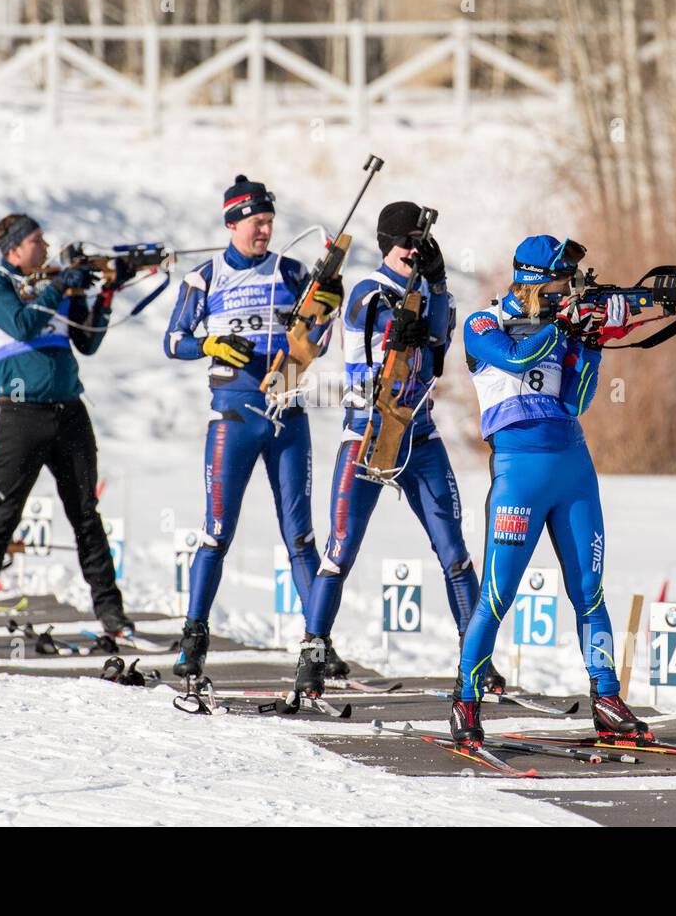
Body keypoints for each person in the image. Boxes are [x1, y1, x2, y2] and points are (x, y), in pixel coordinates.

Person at [294, 201, 500, 698]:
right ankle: (313, 653)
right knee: (340, 550)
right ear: (389, 244)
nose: (415, 251)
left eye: (421, 243)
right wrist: (406, 324)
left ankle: (477, 661)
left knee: (455, 552)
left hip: (419, 433)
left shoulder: (428, 290)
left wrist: (441, 284)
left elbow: (435, 363)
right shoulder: (368, 289)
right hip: (367, 432)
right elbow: (378, 338)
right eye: (408, 243)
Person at [450, 234, 649, 748]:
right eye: (563, 282)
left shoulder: (561, 329)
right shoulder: (482, 323)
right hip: (519, 472)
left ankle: (606, 696)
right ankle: (465, 700)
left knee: (590, 592)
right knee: (498, 595)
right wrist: (563, 326)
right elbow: (516, 359)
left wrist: (592, 344)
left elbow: (576, 400)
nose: (569, 291)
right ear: (538, 280)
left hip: (574, 467)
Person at [163, 175, 343, 680]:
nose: (264, 231)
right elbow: (173, 340)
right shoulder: (205, 276)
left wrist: (325, 310)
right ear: (232, 222)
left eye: (269, 222)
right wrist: (210, 345)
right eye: (256, 222)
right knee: (218, 530)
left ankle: (317, 644)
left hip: (286, 410)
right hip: (235, 415)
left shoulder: (292, 271)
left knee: (302, 536)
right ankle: (193, 639)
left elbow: (318, 342)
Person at [0, 214, 130, 656]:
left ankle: (113, 617)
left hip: (69, 411)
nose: (46, 246)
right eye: (37, 240)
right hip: (21, 415)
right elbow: (22, 325)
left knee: (86, 516)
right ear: (14, 249)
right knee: (4, 514)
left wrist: (106, 291)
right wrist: (60, 286)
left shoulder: (51, 282)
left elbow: (86, 342)